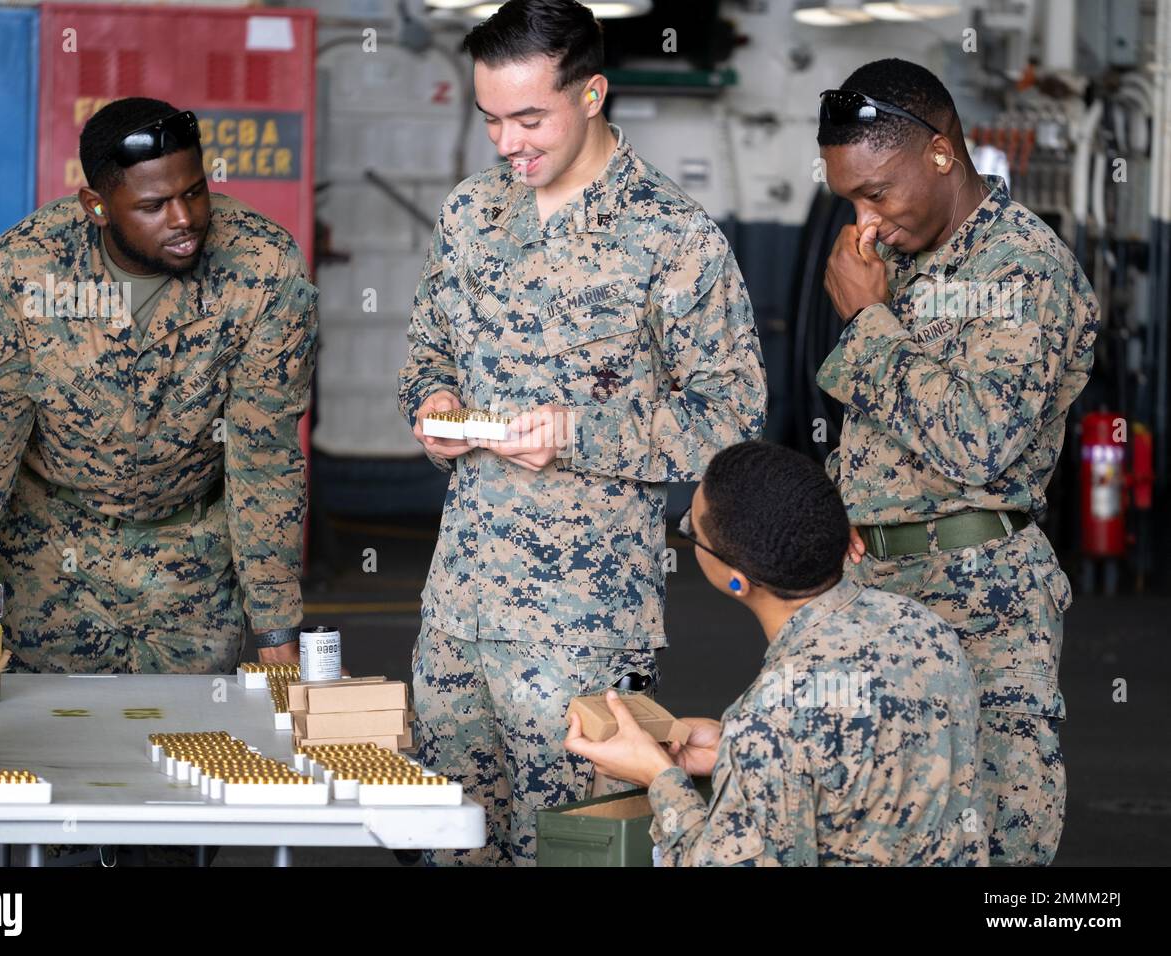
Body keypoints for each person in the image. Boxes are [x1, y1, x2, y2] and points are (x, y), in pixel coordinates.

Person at [397, 0, 767, 865]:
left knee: (567, 849)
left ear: (593, 93)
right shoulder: (471, 214)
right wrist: (437, 401)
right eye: (490, 120)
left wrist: (581, 433)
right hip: (458, 605)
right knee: (444, 839)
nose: (507, 143)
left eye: (530, 118)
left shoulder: (672, 237)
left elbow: (731, 423)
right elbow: (426, 347)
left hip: (586, 627)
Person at [0, 97, 318, 675]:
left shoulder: (263, 266)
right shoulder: (24, 270)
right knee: (46, 746)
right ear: (97, 206)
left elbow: (263, 459)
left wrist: (277, 631)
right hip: (47, 568)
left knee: (190, 750)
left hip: (188, 574)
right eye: (153, 205)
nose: (184, 218)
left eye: (193, 191)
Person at [813, 59, 1099, 864]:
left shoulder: (1022, 270)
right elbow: (877, 432)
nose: (864, 222)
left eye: (876, 193)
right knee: (871, 834)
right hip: (875, 595)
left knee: (993, 841)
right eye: (849, 202)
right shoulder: (898, 263)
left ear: (942, 153)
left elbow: (979, 439)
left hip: (981, 602)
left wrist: (868, 323)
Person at [565, 441, 986, 866]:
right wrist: (737, 755)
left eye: (692, 530)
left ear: (736, 581)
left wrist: (660, 777)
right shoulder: (922, 628)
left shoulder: (770, 718)